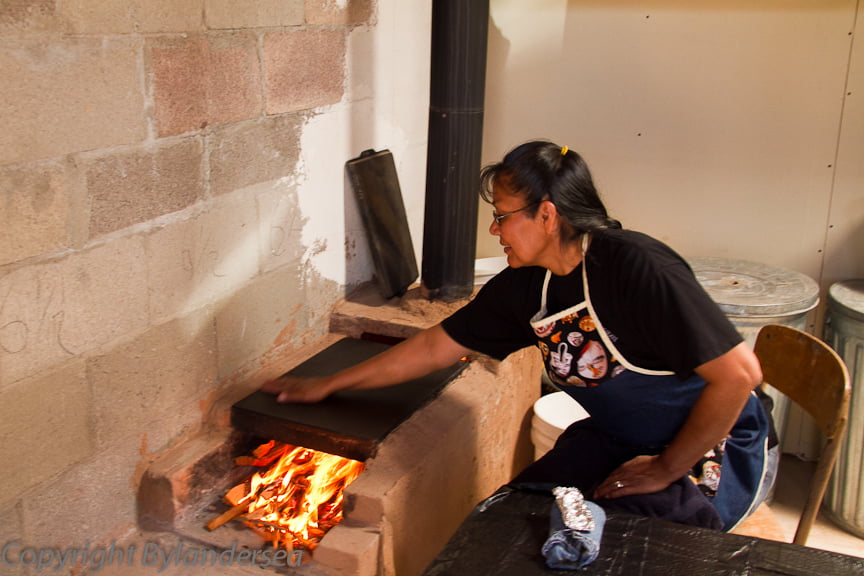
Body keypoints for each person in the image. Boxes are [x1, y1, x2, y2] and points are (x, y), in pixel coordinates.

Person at [263, 140, 776, 532]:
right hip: (622, 439)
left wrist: (667, 466)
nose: (495, 232)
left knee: (621, 541)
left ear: (547, 215)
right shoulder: (527, 286)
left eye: (502, 217)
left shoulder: (635, 267)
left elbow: (739, 377)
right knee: (513, 518)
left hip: (714, 449)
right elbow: (434, 346)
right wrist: (331, 384)